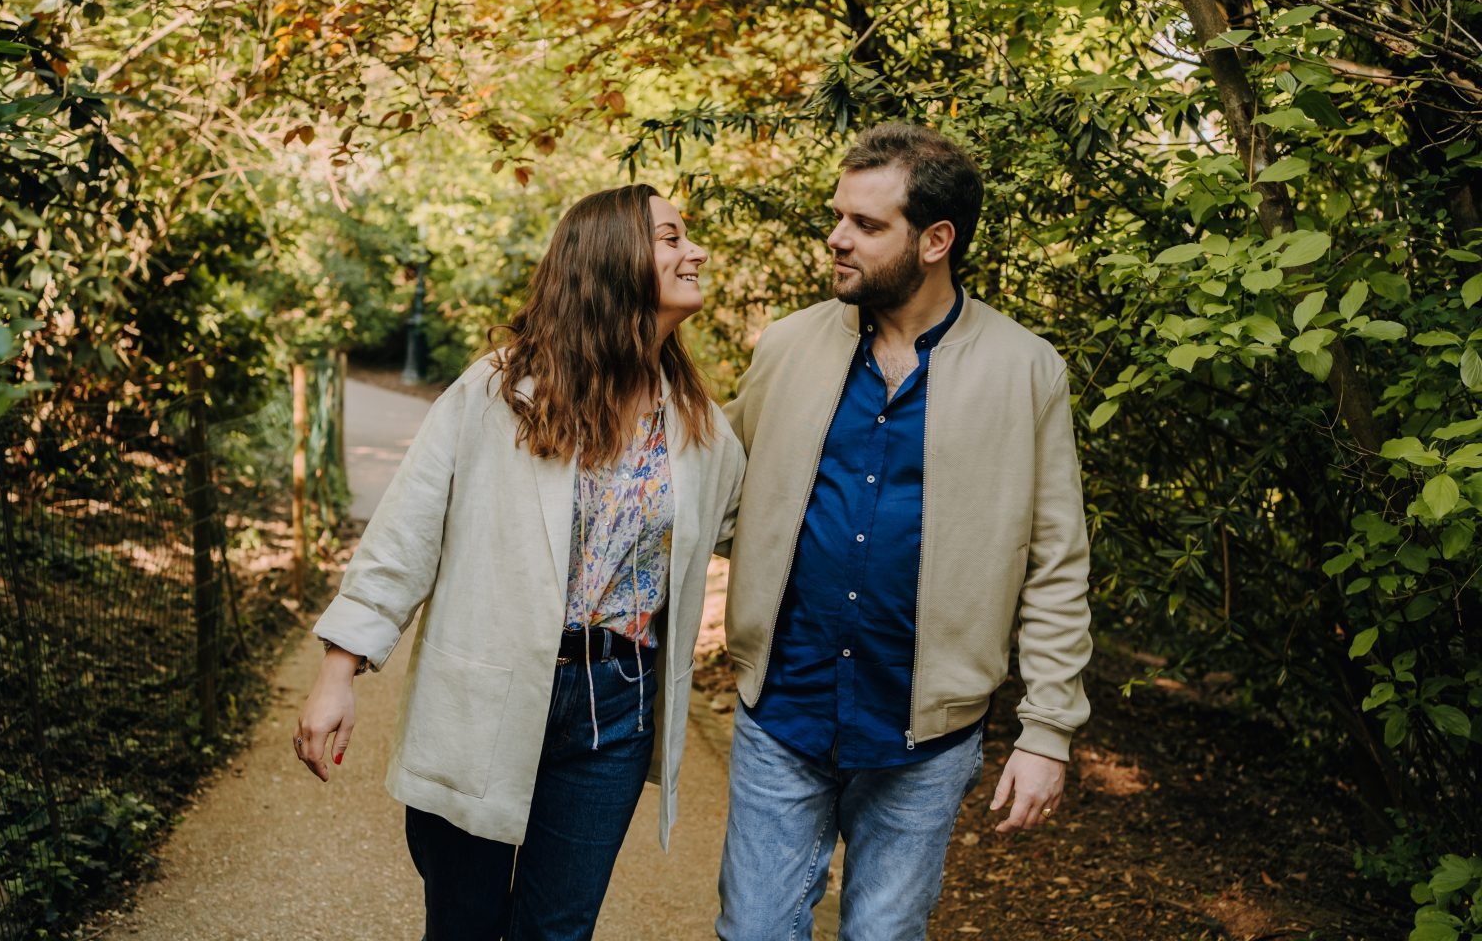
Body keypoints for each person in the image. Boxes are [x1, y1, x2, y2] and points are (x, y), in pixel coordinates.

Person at [292, 184, 745, 941]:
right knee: (463, 925)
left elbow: (758, 537)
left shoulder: (701, 427)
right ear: (613, 261)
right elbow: (407, 533)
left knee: (556, 933)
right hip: (486, 693)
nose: (693, 252)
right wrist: (339, 671)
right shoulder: (500, 393)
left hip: (616, 708)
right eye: (671, 238)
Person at [715, 123, 1092, 940]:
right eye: (837, 216)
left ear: (936, 239)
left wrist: (1048, 731)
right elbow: (713, 493)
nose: (836, 238)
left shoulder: (1027, 369)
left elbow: (1056, 562)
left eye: (865, 224)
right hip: (784, 708)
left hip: (926, 732)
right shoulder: (786, 347)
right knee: (751, 933)